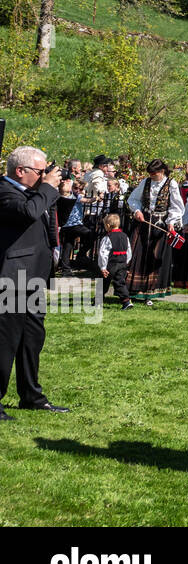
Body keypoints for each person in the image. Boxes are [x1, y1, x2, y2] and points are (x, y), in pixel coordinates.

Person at [0, 147, 68, 419]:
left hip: (33, 276)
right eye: (40, 172)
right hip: (13, 277)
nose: (44, 177)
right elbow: (28, 212)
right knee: (5, 341)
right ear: (20, 171)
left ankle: (32, 395)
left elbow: (44, 217)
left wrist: (55, 192)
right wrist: (48, 188)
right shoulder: (4, 191)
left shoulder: (34, 193)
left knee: (32, 338)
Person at [126, 160, 184, 303]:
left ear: (162, 171)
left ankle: (150, 293)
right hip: (143, 223)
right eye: (150, 174)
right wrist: (137, 211)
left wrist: (171, 222)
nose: (151, 176)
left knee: (154, 258)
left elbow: (177, 206)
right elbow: (133, 199)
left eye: (154, 173)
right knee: (138, 256)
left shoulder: (171, 184)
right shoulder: (145, 182)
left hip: (160, 225)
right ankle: (135, 290)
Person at [95, 212, 133, 309]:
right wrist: (126, 262)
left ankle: (98, 301)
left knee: (102, 282)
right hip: (122, 264)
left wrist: (103, 267)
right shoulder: (125, 236)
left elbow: (103, 253)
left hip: (111, 265)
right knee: (120, 282)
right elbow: (129, 251)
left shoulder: (107, 238)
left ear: (108, 225)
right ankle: (126, 301)